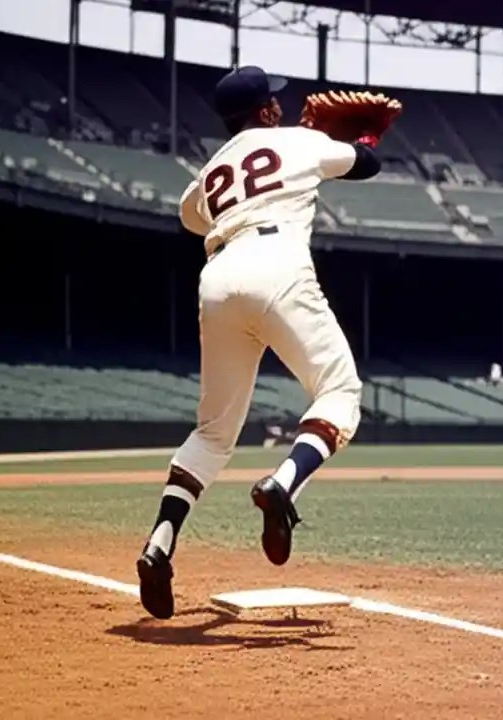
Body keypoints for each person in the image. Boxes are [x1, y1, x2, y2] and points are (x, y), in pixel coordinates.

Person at [135, 66, 386, 620]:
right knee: (339, 391)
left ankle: (159, 543)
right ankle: (284, 483)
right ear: (267, 111)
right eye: (275, 100)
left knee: (213, 433)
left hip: (219, 276)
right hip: (278, 264)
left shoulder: (207, 172)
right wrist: (362, 136)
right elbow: (367, 165)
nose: (281, 104)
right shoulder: (300, 141)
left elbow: (191, 216)